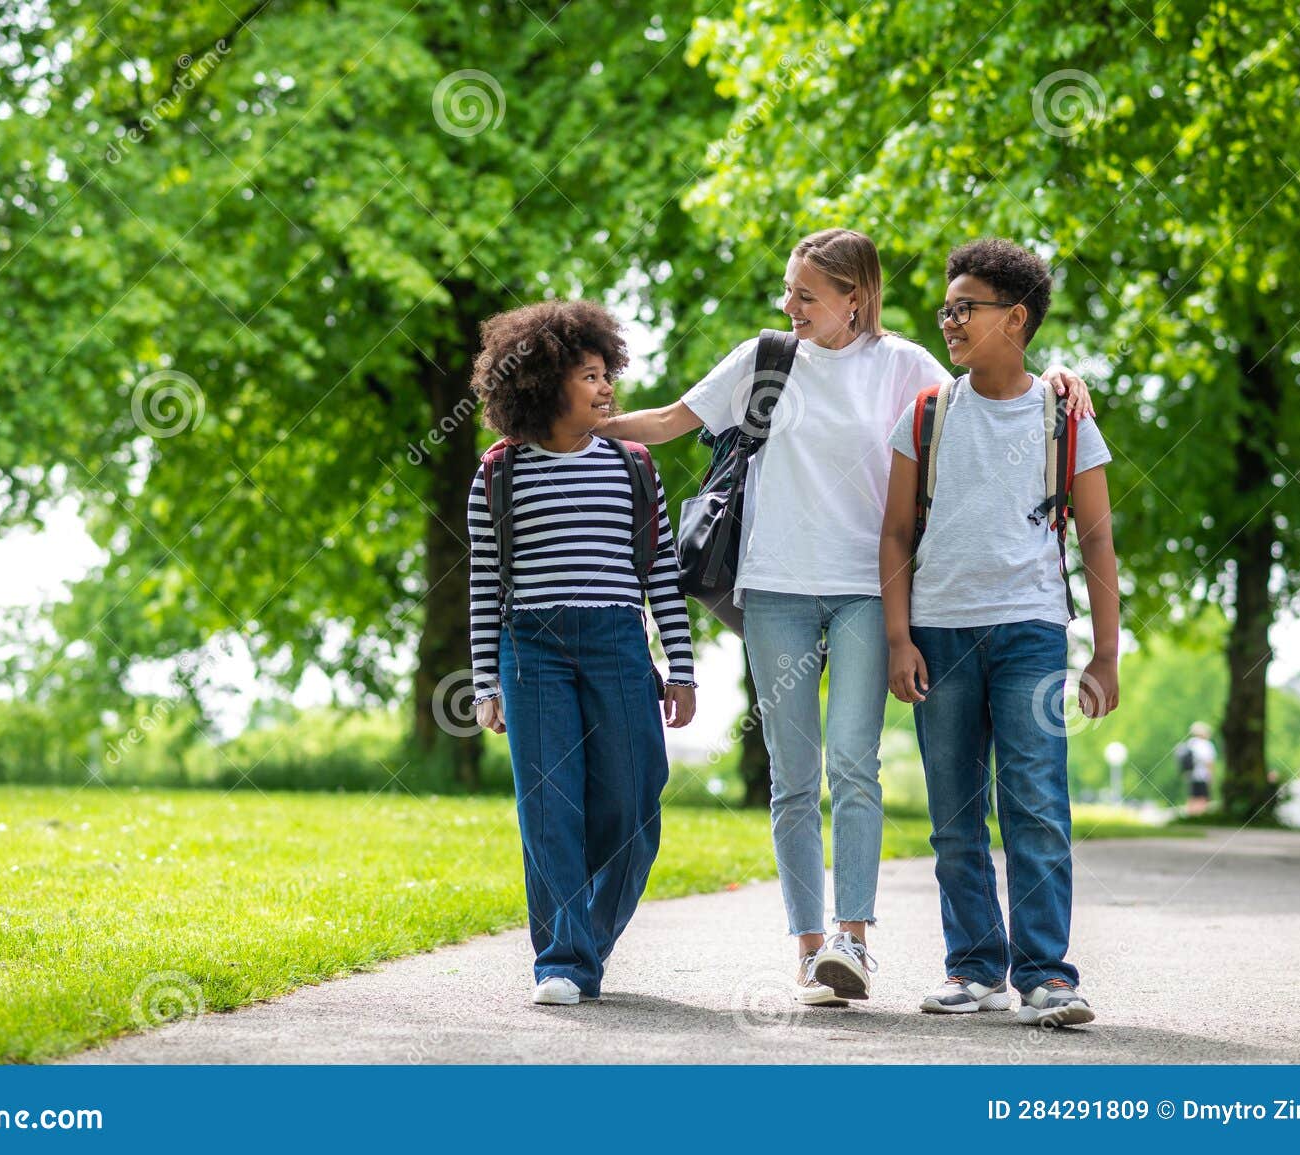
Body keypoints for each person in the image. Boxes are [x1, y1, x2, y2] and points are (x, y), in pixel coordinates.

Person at [601, 228, 1094, 1007]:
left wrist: (1062, 375)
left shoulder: (902, 364)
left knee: (853, 768)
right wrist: (575, 425)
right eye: (788, 290)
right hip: (774, 585)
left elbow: (986, 389)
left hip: (870, 587)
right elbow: (670, 421)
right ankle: (811, 950)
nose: (788, 305)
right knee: (794, 781)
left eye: (805, 293)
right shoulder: (766, 358)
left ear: (853, 298)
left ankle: (854, 939)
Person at [882, 237, 1119, 1028]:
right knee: (954, 813)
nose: (949, 319)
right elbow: (893, 536)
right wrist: (897, 636)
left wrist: (1107, 652)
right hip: (939, 632)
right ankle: (975, 967)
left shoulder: (1066, 415)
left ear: (1014, 319)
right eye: (946, 307)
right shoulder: (926, 413)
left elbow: (1095, 540)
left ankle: (1048, 975)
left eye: (966, 308)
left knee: (1038, 803)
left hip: (1031, 633)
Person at [466, 299, 697, 1006]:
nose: (606, 388)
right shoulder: (498, 473)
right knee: (550, 804)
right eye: (590, 376)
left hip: (618, 643)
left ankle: (585, 937)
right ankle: (564, 960)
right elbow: (484, 581)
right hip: (530, 648)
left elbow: (661, 572)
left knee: (632, 797)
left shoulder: (634, 466)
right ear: (542, 384)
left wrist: (681, 666)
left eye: (607, 374)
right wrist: (484, 681)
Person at [1180, 722, 1217, 817]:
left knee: (1192, 797)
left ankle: (1190, 816)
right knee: (1203, 798)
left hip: (1191, 775)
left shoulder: (1190, 743)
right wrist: (1211, 777)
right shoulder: (1206, 744)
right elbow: (1209, 763)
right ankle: (1200, 817)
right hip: (1203, 775)